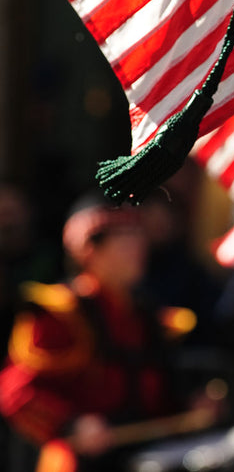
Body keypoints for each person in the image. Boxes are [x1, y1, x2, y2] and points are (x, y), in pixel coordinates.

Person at [0, 194, 218, 471]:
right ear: (88, 250)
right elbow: (15, 391)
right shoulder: (60, 312)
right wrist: (71, 424)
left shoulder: (148, 316)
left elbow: (157, 400)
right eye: (124, 239)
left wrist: (193, 407)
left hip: (143, 457)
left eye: (139, 237)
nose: (137, 248)